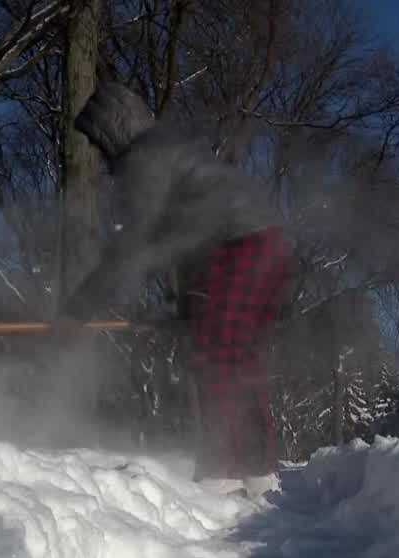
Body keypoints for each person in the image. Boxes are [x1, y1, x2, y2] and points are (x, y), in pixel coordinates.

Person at [62, 81, 292, 480]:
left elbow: (133, 245)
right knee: (237, 354)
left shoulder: (145, 158)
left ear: (113, 129)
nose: (99, 154)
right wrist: (186, 307)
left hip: (243, 244)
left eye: (99, 142)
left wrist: (79, 309)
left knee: (219, 355)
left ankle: (228, 468)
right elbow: (186, 237)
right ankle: (255, 468)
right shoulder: (167, 150)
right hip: (263, 243)